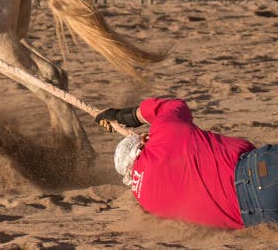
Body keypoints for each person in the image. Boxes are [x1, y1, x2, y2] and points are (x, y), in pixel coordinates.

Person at [95, 97, 274, 230]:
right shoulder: (163, 133)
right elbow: (172, 105)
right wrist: (127, 116)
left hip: (258, 216)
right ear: (143, 141)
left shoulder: (145, 201)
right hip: (258, 172)